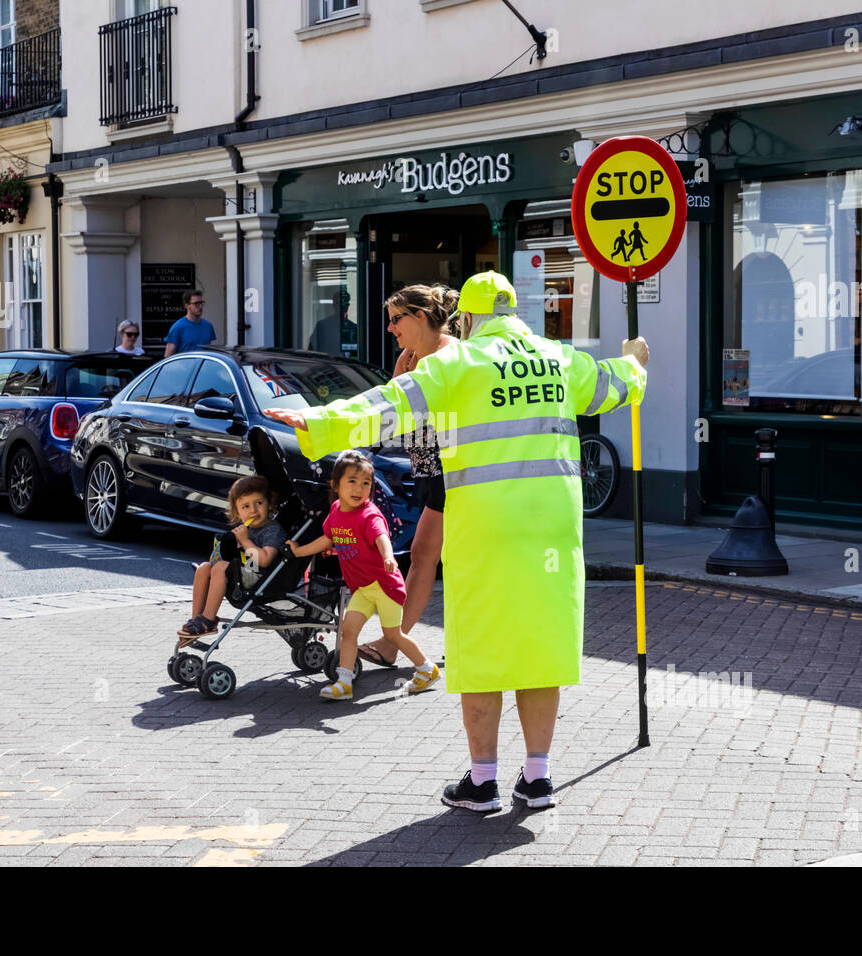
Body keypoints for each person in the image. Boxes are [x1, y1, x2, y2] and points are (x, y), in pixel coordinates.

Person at [266, 271, 649, 812]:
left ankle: (483, 782)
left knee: (483, 652)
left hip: (486, 533)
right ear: (516, 313)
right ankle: (538, 779)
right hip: (554, 536)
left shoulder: (458, 362)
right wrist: (635, 360)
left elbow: (387, 406)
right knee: (540, 653)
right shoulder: (560, 358)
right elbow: (616, 384)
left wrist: (316, 424)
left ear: (466, 319)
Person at [357, 284, 459, 670]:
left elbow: (438, 417)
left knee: (425, 554)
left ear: (420, 317)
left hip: (452, 468)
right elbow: (401, 416)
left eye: (396, 318)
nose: (390, 327)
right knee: (429, 556)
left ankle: (391, 643)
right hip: (430, 467)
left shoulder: (449, 355)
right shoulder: (413, 357)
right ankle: (396, 641)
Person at [286, 449, 440, 701]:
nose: (359, 489)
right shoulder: (336, 510)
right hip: (362, 588)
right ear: (335, 485)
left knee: (393, 635)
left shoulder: (369, 515)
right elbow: (328, 538)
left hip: (384, 586)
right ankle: (344, 683)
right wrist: (300, 551)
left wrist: (388, 557)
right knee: (348, 631)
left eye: (366, 483)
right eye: (352, 481)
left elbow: (382, 537)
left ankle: (427, 669)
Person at [178, 476, 285, 646]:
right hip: (243, 573)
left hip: (261, 578)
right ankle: (196, 620)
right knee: (205, 567)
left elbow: (264, 560)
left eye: (259, 503)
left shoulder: (272, 530)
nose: (253, 511)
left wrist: (245, 541)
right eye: (246, 506)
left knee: (221, 568)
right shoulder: (246, 529)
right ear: (237, 512)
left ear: (269, 503)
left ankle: (208, 619)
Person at [163, 290, 215, 356]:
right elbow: (168, 356)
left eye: (201, 303)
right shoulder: (178, 327)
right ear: (187, 306)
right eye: (196, 303)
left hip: (203, 366)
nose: (200, 307)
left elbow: (208, 351)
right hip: (184, 366)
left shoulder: (208, 326)